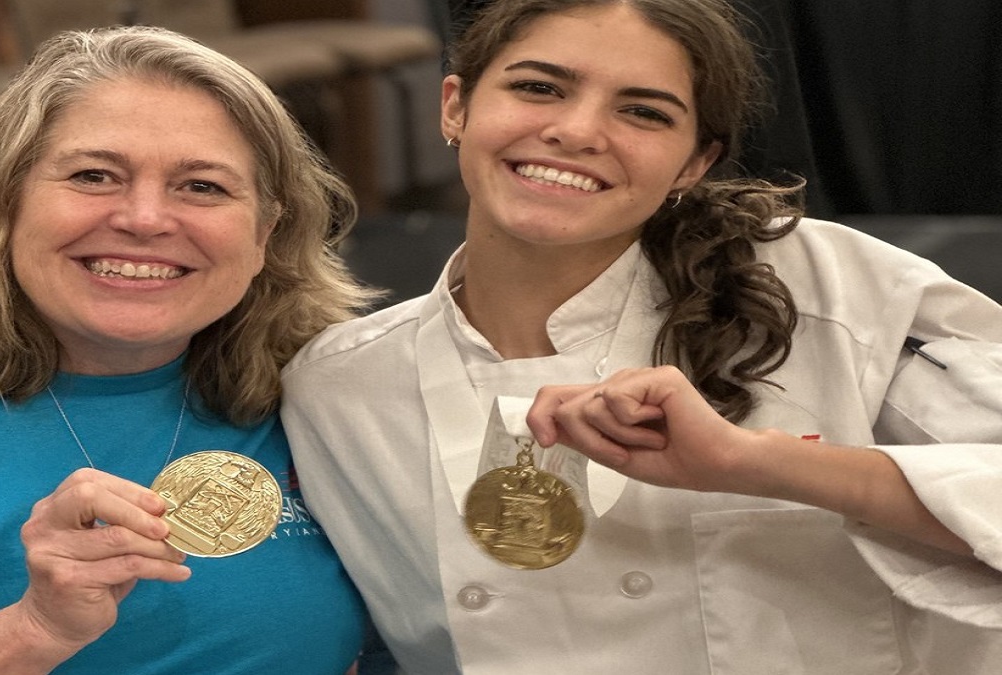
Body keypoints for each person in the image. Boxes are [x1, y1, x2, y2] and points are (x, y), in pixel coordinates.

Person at [280, 0, 1002, 672]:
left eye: (643, 112)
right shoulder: (340, 388)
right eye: (538, 87)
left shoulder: (816, 285)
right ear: (456, 107)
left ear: (695, 164)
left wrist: (755, 463)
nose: (578, 131)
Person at [0, 25, 379, 674]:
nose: (144, 219)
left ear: (264, 234)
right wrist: (33, 628)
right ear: (4, 202)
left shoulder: (323, 385)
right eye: (94, 175)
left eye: (203, 186)